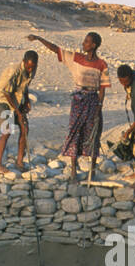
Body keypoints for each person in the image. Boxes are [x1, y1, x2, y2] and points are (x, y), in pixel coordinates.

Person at [27, 33, 110, 181]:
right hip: (78, 100)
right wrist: (39, 38)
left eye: (86, 41)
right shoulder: (76, 58)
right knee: (74, 132)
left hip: (93, 100)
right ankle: (73, 172)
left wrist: (99, 107)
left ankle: (92, 171)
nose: (83, 43)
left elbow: (102, 89)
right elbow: (56, 49)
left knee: (93, 134)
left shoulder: (102, 64)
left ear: (94, 45)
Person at [0, 50, 38, 174]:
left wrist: (26, 101)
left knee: (25, 128)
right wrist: (18, 112)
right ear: (24, 62)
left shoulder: (32, 69)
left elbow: (25, 86)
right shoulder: (14, 71)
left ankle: (19, 162)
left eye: (32, 67)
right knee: (7, 130)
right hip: (3, 100)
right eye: (28, 67)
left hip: (17, 100)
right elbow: (7, 93)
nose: (30, 70)